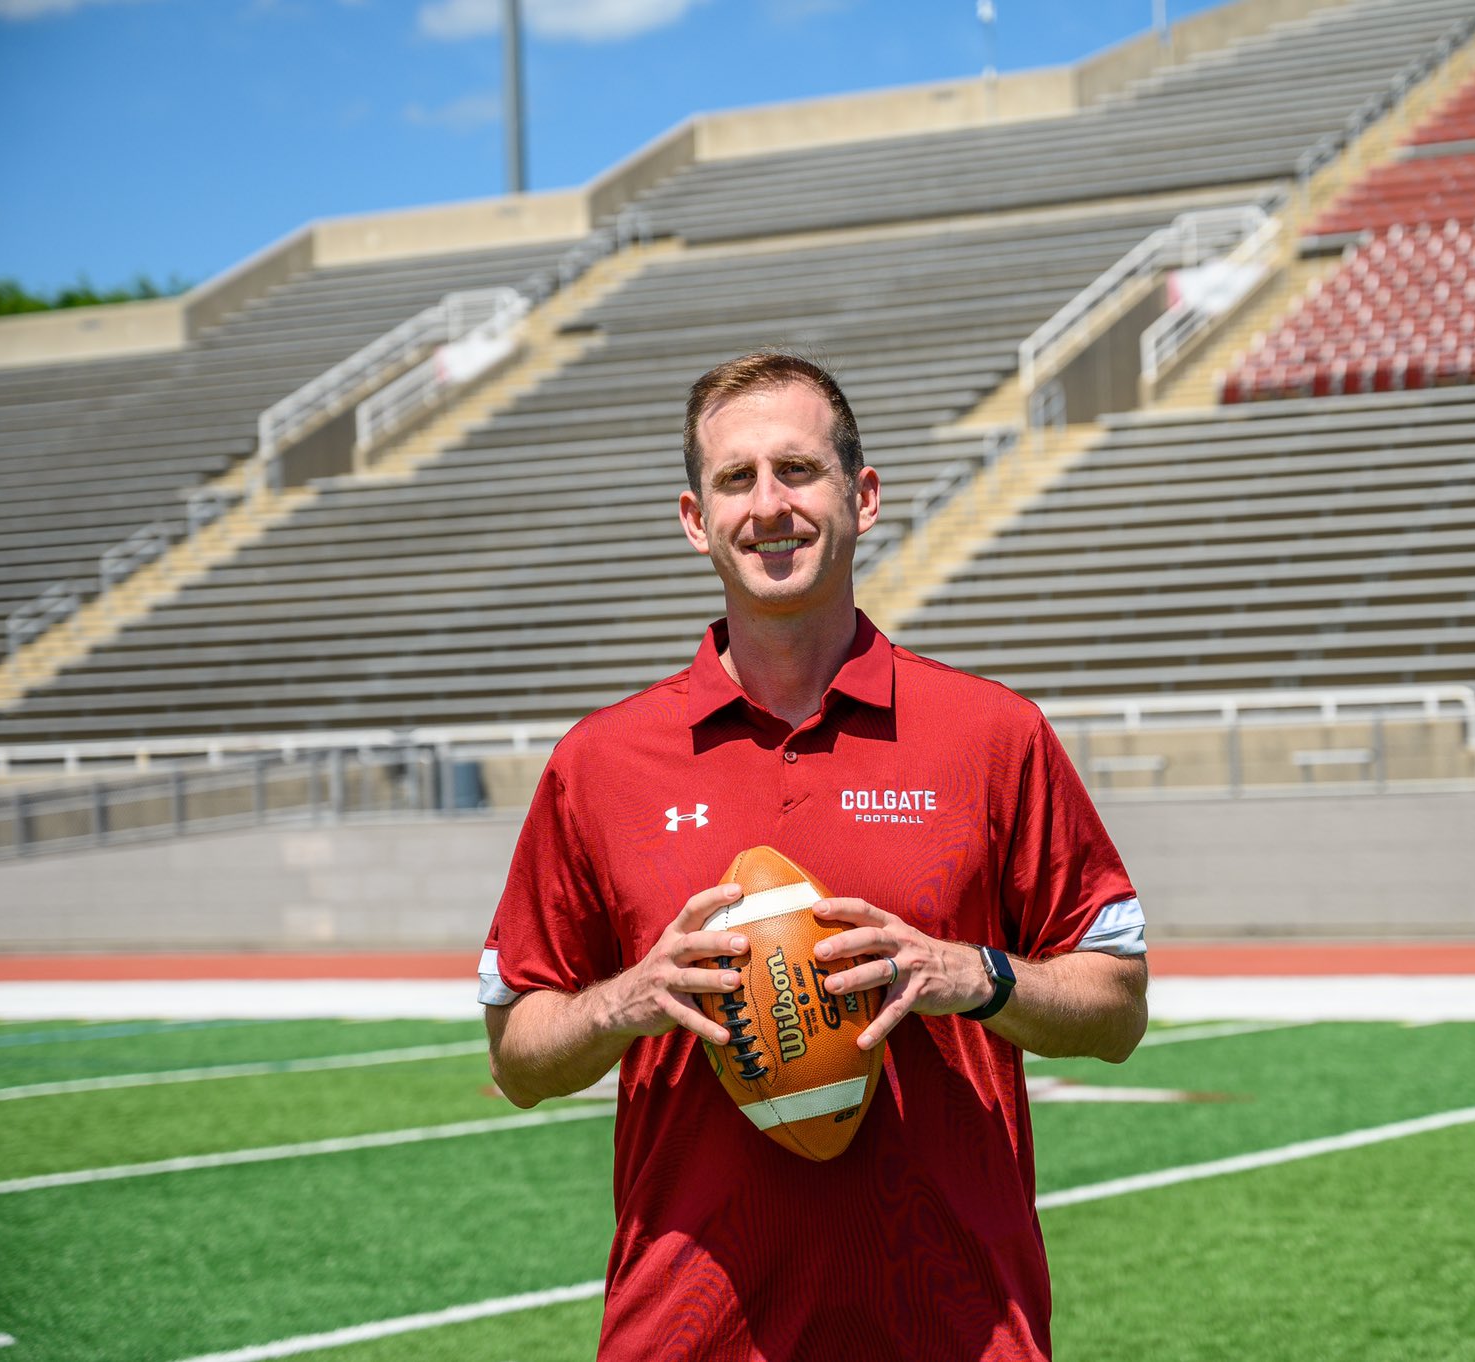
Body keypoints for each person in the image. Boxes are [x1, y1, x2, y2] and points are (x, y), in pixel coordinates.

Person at [478, 351, 1149, 1361]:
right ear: (695, 520)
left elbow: (1117, 1010)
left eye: (797, 470)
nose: (768, 506)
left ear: (861, 496)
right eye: (734, 479)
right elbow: (518, 1057)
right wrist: (629, 996)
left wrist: (966, 972)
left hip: (957, 1326)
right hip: (687, 1336)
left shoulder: (989, 734)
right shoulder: (600, 763)